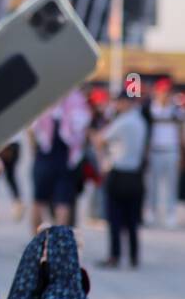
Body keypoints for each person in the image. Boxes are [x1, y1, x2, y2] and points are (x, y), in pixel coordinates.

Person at [94, 88, 149, 268]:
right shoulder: (140, 121)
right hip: (135, 174)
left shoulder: (122, 122)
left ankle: (115, 256)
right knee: (132, 219)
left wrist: (103, 160)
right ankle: (134, 256)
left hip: (118, 174)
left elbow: (101, 139)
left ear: (125, 103)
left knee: (115, 218)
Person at [28, 89, 90, 231]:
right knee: (60, 203)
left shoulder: (46, 97)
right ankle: (57, 242)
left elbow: (32, 129)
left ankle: (39, 241)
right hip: (64, 158)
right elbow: (82, 130)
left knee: (41, 201)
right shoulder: (76, 100)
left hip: (48, 157)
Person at [147, 78, 183, 228]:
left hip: (171, 151)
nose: (164, 95)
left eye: (167, 92)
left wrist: (181, 153)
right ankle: (152, 213)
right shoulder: (149, 110)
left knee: (171, 185)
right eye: (162, 92)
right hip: (155, 151)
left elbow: (181, 133)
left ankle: (170, 214)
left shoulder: (176, 111)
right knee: (152, 185)